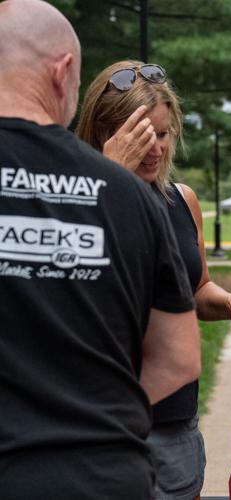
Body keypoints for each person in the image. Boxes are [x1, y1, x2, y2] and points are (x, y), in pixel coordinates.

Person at [0, 1, 200, 498]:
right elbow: (178, 358)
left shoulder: (153, 194)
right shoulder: (126, 194)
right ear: (63, 70)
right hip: (99, 468)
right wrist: (97, 416)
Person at [75, 60, 231, 499]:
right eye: (141, 135)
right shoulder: (72, 201)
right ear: (103, 133)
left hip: (174, 426)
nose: (155, 148)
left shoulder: (180, 200)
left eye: (162, 134)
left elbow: (195, 290)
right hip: (97, 425)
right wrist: (109, 182)